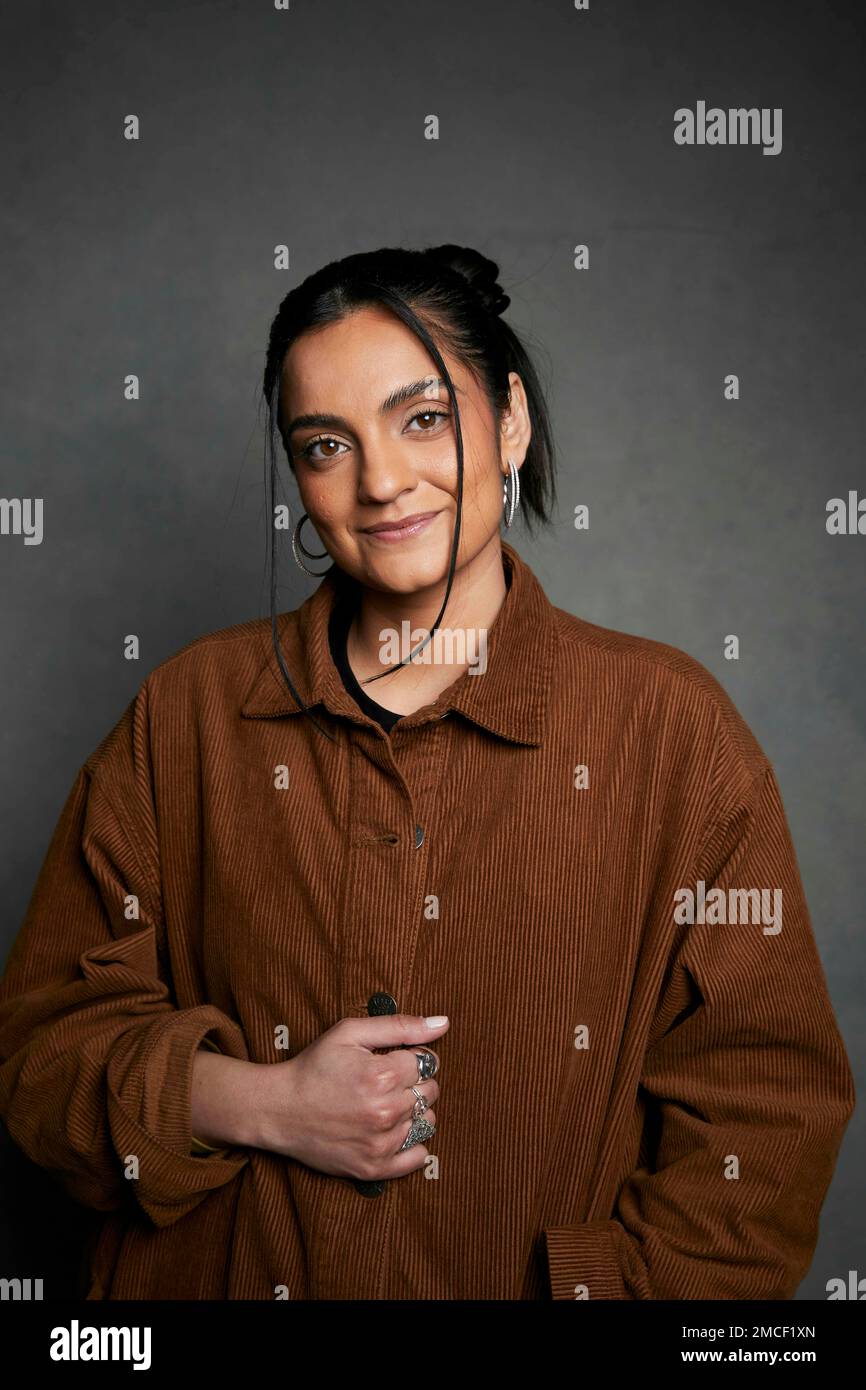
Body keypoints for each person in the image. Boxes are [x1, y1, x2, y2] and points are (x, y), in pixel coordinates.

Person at [0, 245, 855, 1301]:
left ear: (509, 420)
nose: (380, 481)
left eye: (422, 418)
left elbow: (763, 1125)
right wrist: (259, 1101)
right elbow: (39, 1066)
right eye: (324, 445)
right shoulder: (186, 715)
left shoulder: (670, 732)